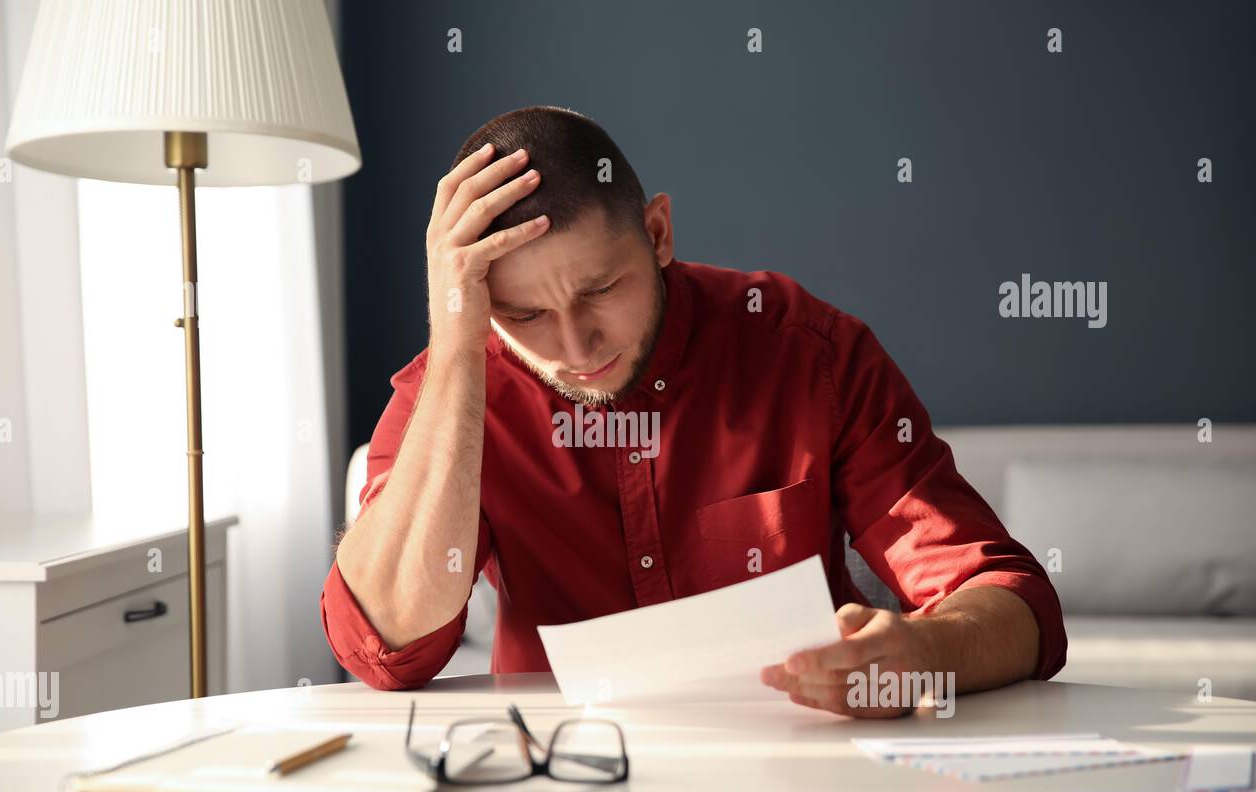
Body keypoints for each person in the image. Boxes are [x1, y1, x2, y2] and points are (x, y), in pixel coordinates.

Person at [320, 105, 1066, 717]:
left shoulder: (808, 353)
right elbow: (384, 647)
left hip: (811, 783)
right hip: (560, 790)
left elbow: (1014, 603)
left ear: (657, 233)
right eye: (526, 314)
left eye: (601, 291)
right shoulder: (454, 381)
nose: (576, 347)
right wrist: (457, 343)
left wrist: (925, 654)